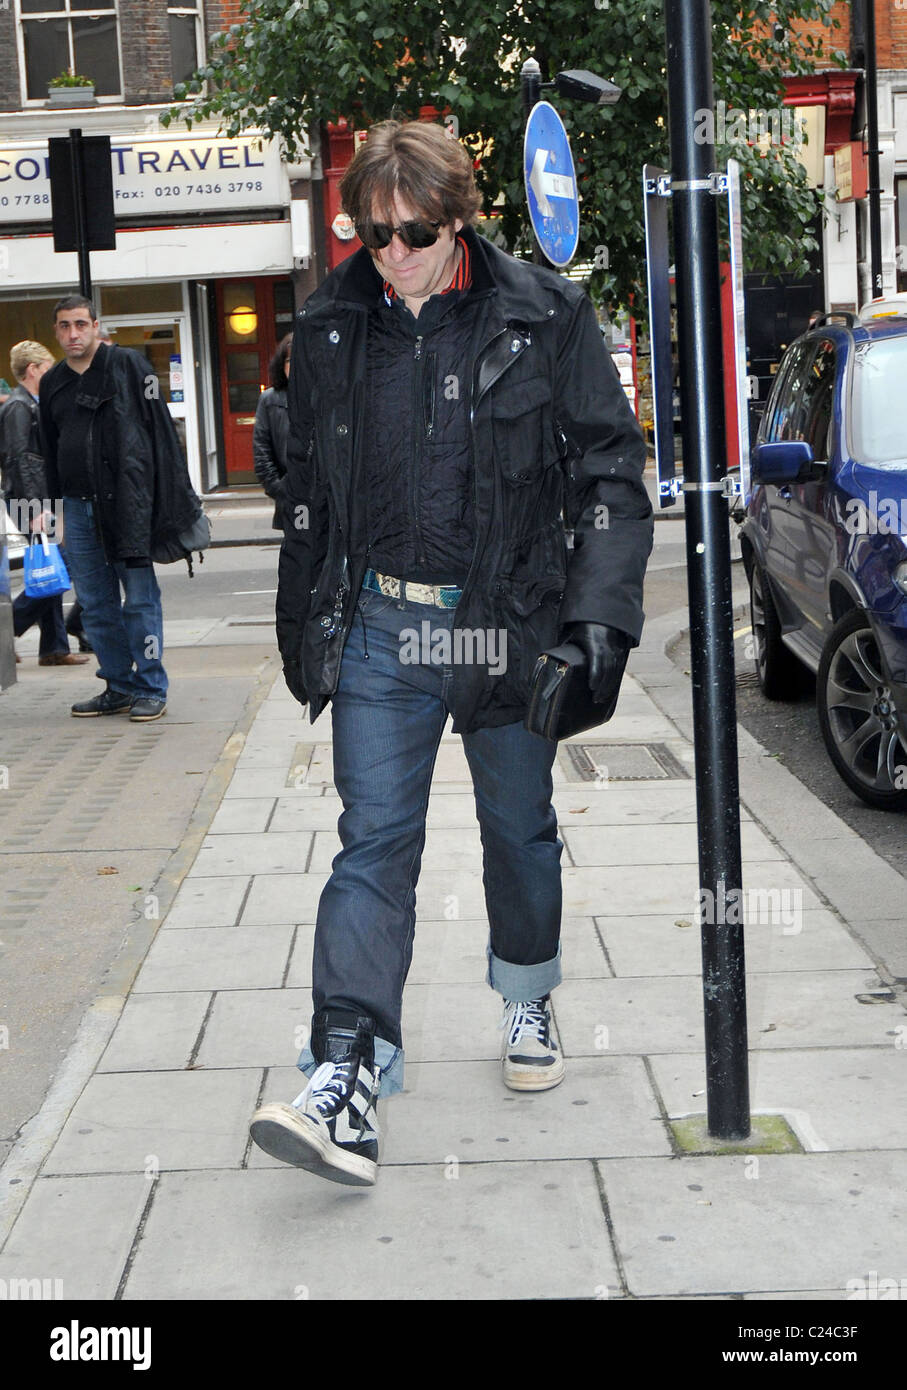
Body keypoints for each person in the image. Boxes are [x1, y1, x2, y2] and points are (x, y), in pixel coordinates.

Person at [250, 120, 653, 1187]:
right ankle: (345, 1064)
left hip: (503, 622)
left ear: (458, 216)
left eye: (412, 231)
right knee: (371, 841)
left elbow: (610, 472)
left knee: (516, 824)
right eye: (371, 232)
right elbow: (307, 480)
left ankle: (527, 989)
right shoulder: (333, 321)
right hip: (383, 621)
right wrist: (307, 603)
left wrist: (597, 621)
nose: (391, 252)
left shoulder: (544, 314)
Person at [39, 294, 175, 721]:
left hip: (127, 504)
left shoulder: (129, 366)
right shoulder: (52, 382)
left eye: (80, 324)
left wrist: (166, 497)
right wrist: (51, 507)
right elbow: (48, 446)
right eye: (64, 326)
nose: (73, 333)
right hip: (77, 509)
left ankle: (151, 686)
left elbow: (160, 431)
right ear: (57, 331)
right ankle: (118, 684)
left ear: (96, 325)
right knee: (96, 604)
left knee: (138, 600)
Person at [1, 340, 89, 667]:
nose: (51, 376)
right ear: (33, 370)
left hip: (38, 500)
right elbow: (19, 460)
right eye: (47, 369)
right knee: (58, 567)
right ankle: (7, 632)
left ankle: (54, 648)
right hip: (30, 502)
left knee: (49, 568)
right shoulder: (18, 407)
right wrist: (38, 509)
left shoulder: (30, 404)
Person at [253, 333, 292, 530]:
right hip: (290, 498)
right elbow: (262, 451)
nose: (294, 365)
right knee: (297, 558)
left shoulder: (325, 396)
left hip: (326, 500)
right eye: (289, 360)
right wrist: (278, 488)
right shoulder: (270, 400)